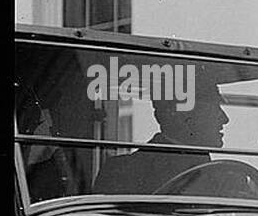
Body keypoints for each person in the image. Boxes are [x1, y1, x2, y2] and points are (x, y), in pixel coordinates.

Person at [91, 82, 227, 195]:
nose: (225, 119)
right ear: (182, 115)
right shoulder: (121, 173)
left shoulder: (229, 177)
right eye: (214, 108)